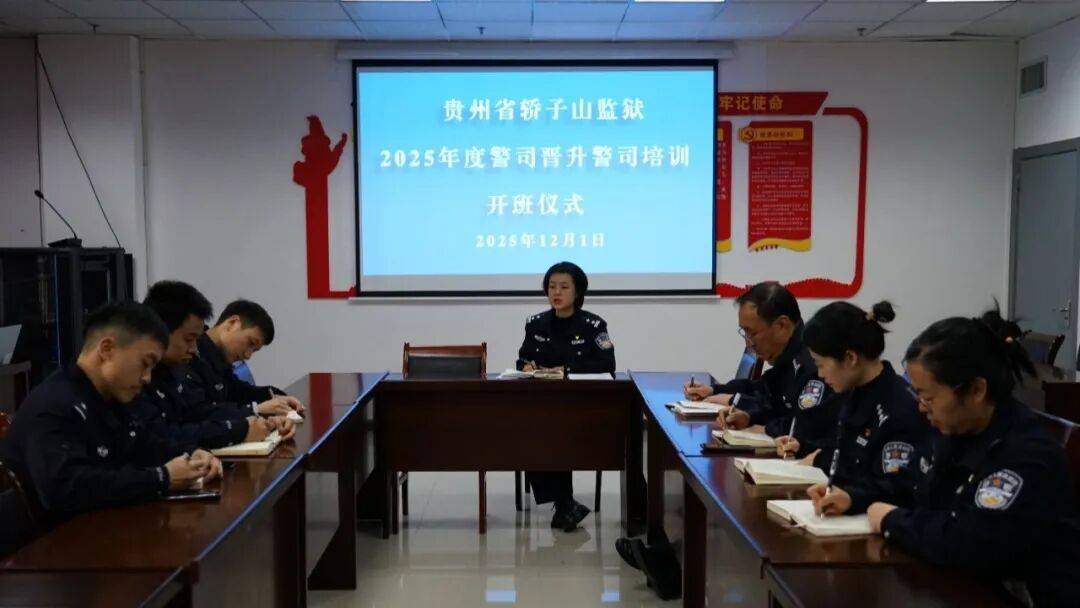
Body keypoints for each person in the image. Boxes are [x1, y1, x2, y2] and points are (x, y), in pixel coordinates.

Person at [866, 311, 1080, 606]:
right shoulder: (955, 429)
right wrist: (854, 497)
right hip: (955, 585)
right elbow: (910, 485)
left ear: (976, 390)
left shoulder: (1027, 455)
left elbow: (969, 543)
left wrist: (893, 521)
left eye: (928, 398)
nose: (921, 408)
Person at [0, 301, 222, 546]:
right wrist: (162, 477)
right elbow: (65, 489)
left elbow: (146, 445)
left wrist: (193, 454)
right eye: (145, 363)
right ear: (107, 349)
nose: (147, 378)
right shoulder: (53, 403)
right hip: (52, 550)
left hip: (102, 532)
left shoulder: (110, 399)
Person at [797, 301, 930, 516]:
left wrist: (852, 498)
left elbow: (897, 490)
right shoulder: (851, 392)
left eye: (820, 364)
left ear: (850, 358)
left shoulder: (899, 409)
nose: (819, 374)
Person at [684, 281, 841, 456]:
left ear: (781, 326)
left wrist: (766, 429)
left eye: (752, 333)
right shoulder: (788, 357)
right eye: (744, 332)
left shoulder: (812, 363)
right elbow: (765, 392)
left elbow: (807, 424)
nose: (749, 343)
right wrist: (744, 412)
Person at [134, 281, 293, 450]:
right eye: (188, 339)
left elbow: (193, 417)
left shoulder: (173, 367)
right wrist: (246, 422)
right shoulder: (155, 374)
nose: (194, 349)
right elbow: (176, 430)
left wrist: (267, 406)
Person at [516, 261, 615, 532]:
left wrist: (567, 370)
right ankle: (565, 504)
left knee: (552, 429)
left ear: (577, 291)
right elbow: (523, 358)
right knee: (537, 428)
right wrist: (526, 366)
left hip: (581, 405)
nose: (556, 292)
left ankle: (563, 504)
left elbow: (607, 365)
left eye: (563, 287)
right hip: (545, 405)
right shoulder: (536, 324)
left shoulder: (593, 325)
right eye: (551, 287)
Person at [183, 299, 304, 417]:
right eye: (250, 343)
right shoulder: (187, 355)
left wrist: (275, 397)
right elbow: (200, 413)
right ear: (232, 323)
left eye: (254, 350)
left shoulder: (220, 358)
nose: (248, 355)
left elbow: (238, 392)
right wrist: (255, 410)